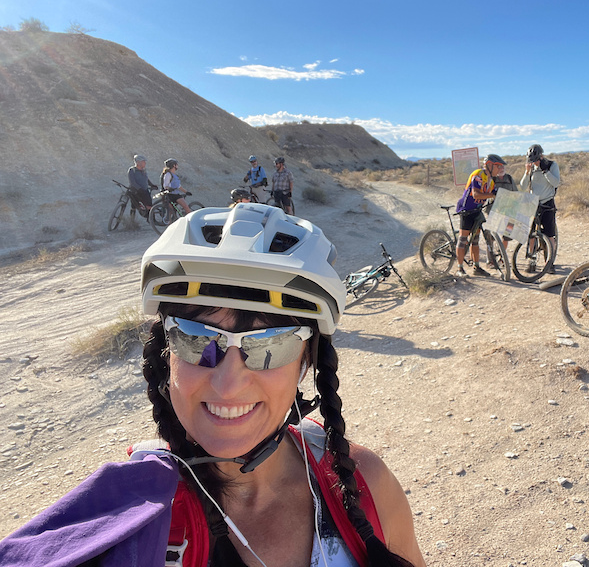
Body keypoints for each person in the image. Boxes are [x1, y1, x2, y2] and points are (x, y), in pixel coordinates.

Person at [0, 204, 425, 567]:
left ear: (306, 361)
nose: (227, 384)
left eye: (270, 345)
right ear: (165, 352)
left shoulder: (365, 484)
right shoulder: (125, 521)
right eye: (196, 338)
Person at [454, 154, 503, 276]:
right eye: (498, 166)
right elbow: (476, 194)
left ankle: (476, 267)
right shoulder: (478, 175)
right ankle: (459, 269)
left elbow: (495, 194)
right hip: (466, 209)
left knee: (475, 240)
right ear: (489, 165)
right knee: (463, 239)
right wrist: (493, 195)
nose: (500, 169)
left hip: (477, 210)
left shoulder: (491, 181)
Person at [520, 144, 560, 272]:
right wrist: (527, 172)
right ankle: (531, 262)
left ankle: (549, 263)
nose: (534, 163)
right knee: (532, 235)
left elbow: (556, 183)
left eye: (536, 160)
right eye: (532, 161)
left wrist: (545, 171)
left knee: (549, 235)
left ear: (541, 156)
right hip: (533, 204)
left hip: (547, 203)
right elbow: (523, 186)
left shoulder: (551, 165)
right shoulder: (531, 168)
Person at [492, 161, 518, 248]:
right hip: (495, 211)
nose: (501, 169)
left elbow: (516, 193)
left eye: (503, 166)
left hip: (509, 211)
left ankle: (502, 254)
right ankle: (490, 255)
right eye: (499, 167)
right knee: (491, 235)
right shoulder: (492, 179)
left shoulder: (509, 178)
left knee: (507, 235)